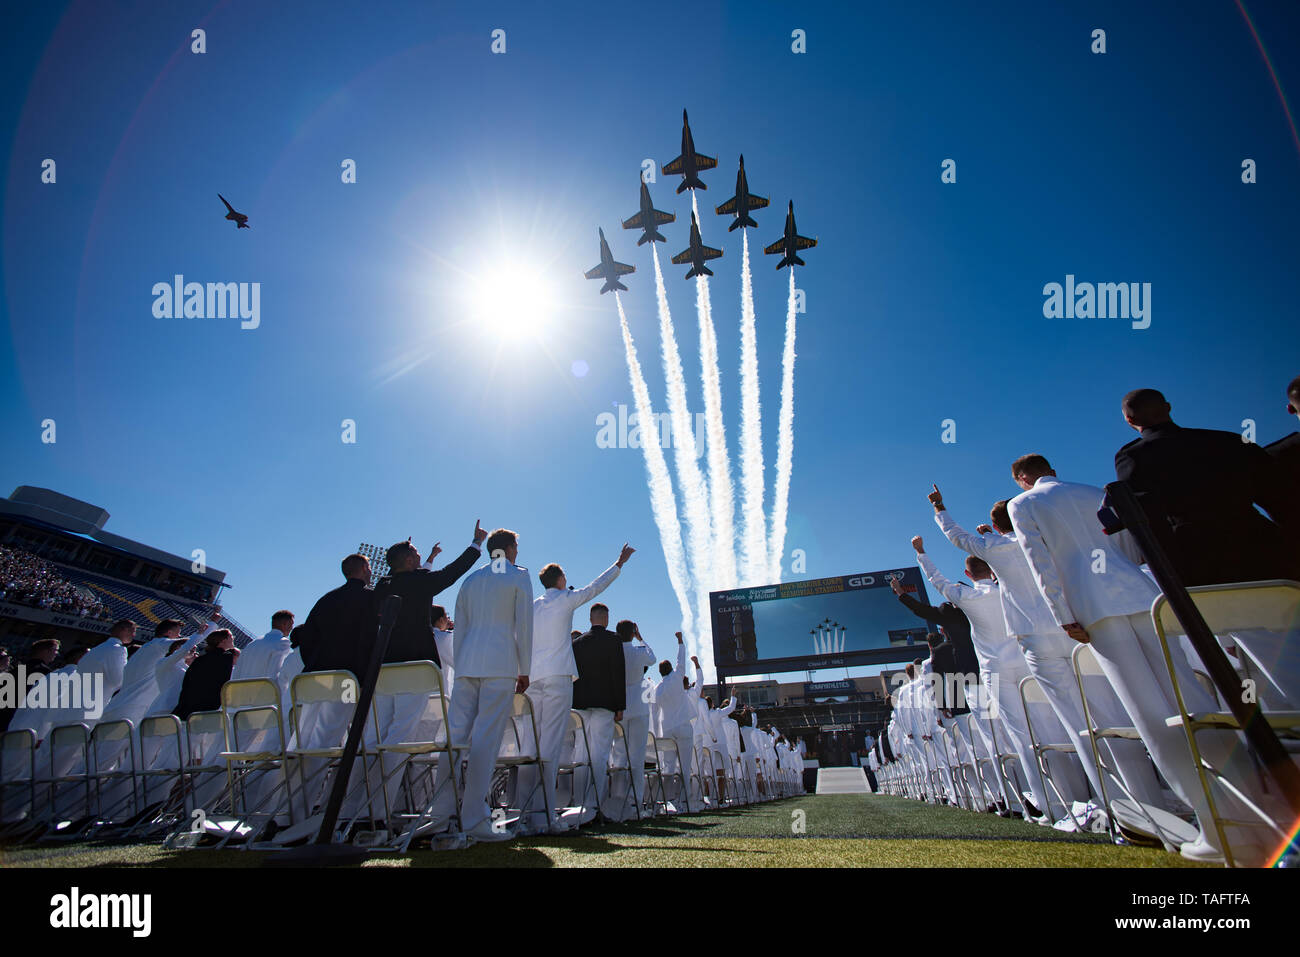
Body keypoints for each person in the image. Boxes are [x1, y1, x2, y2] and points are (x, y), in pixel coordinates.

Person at [1008, 452, 1274, 864]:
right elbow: (1131, 547)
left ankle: (1218, 827)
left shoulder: (1023, 504)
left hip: (1092, 605)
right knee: (1191, 700)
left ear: (1022, 478)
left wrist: (1063, 615)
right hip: (1141, 594)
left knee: (1150, 715)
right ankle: (1255, 814)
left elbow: (1040, 561)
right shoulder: (1093, 491)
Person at [1115, 388, 1300, 707]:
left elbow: (1149, 523)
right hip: (1266, 551)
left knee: (1259, 664)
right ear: (1169, 408)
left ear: (1131, 420)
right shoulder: (1228, 441)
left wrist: (1172, 579)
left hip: (1205, 564)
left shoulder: (1135, 456)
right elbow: (1280, 501)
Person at [520, 543, 633, 833]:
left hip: (533, 678)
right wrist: (618, 563)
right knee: (550, 746)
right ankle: (544, 817)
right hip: (557, 679)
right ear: (559, 580)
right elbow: (596, 587)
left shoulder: (532, 606)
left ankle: (524, 814)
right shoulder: (566, 599)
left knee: (531, 746)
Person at [432, 528, 533, 842]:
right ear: (509, 548)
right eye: (516, 546)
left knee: (455, 738)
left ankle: (439, 814)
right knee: (485, 741)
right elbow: (524, 625)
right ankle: (474, 818)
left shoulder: (471, 579)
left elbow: (460, 627)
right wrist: (524, 669)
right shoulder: (518, 575)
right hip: (499, 663)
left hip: (467, 665)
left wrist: (462, 664)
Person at [372, 522, 487, 666]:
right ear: (409, 560)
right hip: (419, 661)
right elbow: (451, 572)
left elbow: (399, 577)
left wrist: (399, 556)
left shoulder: (382, 585)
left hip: (385, 660)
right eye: (416, 552)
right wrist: (476, 543)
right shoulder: (419, 582)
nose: (420, 555)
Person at [570, 602, 628, 821]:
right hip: (604, 703)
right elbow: (617, 674)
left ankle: (578, 804)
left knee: (581, 753)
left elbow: (573, 676)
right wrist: (620, 706)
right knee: (600, 753)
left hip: (581, 703)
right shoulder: (614, 641)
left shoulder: (578, 643)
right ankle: (593, 805)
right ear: (606, 619)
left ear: (590, 618)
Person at [291, 553, 381, 676]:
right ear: (364, 568)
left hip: (323, 672)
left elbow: (308, 638)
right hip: (357, 674)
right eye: (369, 567)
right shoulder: (373, 597)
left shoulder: (326, 599)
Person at [614, 620, 655, 820]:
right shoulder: (639, 652)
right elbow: (653, 659)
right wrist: (642, 638)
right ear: (632, 633)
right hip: (638, 709)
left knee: (619, 755)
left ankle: (617, 800)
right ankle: (635, 803)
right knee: (637, 756)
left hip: (620, 706)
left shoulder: (614, 652)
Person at [650, 633, 695, 812]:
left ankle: (668, 802)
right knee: (685, 766)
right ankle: (687, 803)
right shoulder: (677, 678)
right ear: (670, 669)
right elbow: (681, 661)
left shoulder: (657, 689)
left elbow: (654, 714)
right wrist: (680, 642)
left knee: (668, 767)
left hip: (667, 730)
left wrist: (657, 734)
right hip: (683, 727)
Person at [173, 630, 237, 721]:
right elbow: (223, 683)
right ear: (223, 640)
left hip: (187, 708)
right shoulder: (226, 657)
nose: (233, 638)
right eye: (231, 636)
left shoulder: (199, 659)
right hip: (207, 709)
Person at [231, 610, 295, 683]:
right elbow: (276, 674)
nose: (292, 628)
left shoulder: (252, 644)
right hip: (263, 691)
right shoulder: (282, 642)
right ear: (285, 624)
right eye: (291, 624)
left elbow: (236, 672)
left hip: (240, 691)